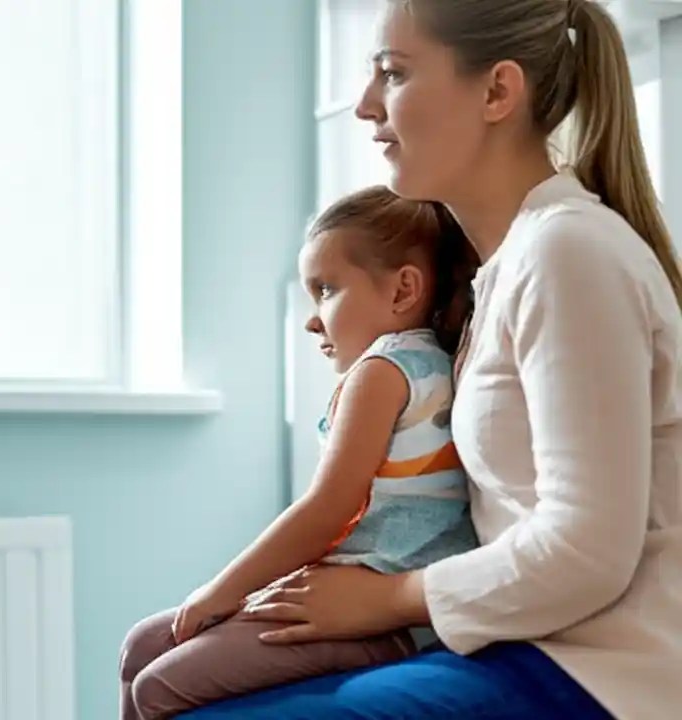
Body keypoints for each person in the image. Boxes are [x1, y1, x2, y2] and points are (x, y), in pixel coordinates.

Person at [180, 0, 682, 717]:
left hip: (603, 672)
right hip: (520, 642)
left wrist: (389, 598)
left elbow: (588, 553)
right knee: (177, 681)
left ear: (497, 91)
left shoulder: (568, 253)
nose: (365, 105)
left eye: (393, 73)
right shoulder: (504, 268)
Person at [119, 186, 479, 719]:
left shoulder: (382, 371)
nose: (313, 320)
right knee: (143, 645)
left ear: (404, 289)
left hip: (379, 622)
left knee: (157, 684)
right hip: (367, 597)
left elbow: (328, 509)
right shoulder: (432, 364)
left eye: (326, 290)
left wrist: (222, 591)